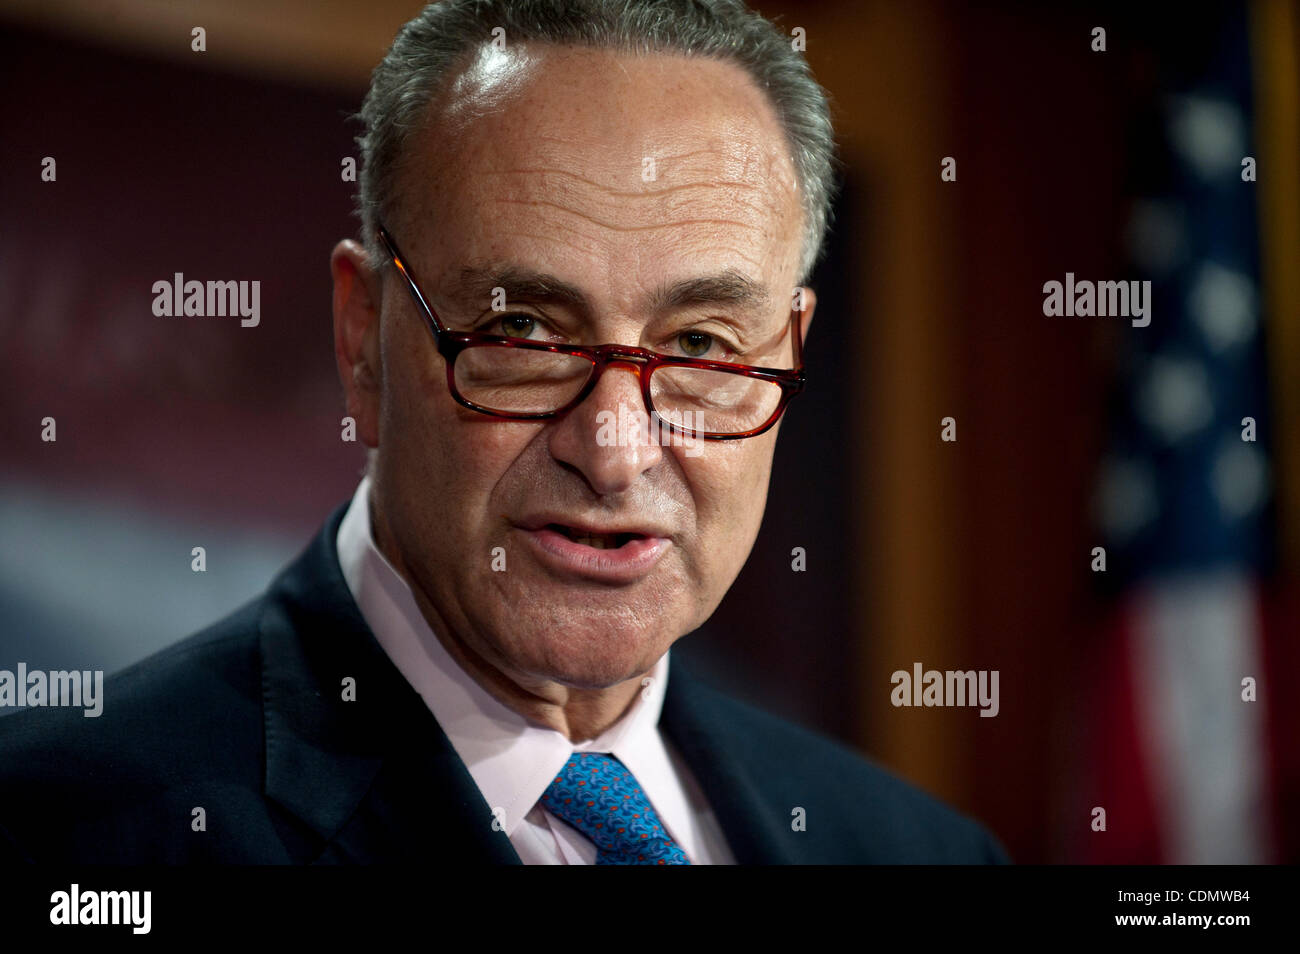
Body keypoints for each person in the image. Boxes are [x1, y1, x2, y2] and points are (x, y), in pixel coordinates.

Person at [0, 0, 1009, 864]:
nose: (615, 446)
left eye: (700, 342)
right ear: (362, 341)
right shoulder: (65, 830)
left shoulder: (915, 851)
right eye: (524, 328)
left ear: (786, 350)